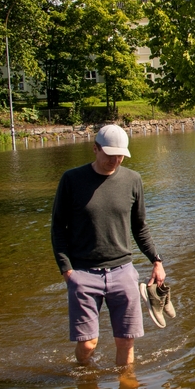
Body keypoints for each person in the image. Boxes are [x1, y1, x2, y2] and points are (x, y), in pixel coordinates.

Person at [51, 124, 165, 367]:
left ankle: (127, 384)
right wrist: (67, 270)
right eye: (110, 154)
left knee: (125, 341)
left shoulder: (133, 180)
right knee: (87, 344)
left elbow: (140, 227)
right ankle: (83, 373)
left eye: (120, 155)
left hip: (122, 271)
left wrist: (157, 261)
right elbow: (58, 227)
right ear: (95, 148)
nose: (115, 160)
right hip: (83, 273)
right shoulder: (72, 180)